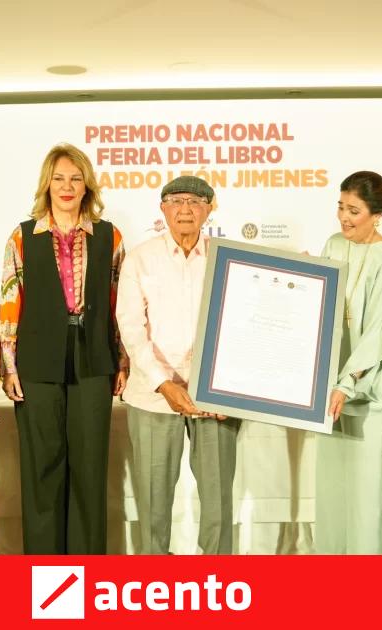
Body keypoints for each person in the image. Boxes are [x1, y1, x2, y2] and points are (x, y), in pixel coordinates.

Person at [0, 143, 128, 554]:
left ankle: (88, 570)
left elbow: (118, 300)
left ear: (86, 184)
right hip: (37, 357)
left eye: (75, 178)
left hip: (94, 357)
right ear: (47, 184)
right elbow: (9, 298)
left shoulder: (110, 235)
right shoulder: (22, 235)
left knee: (89, 468)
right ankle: (45, 571)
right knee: (42, 466)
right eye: (59, 178)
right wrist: (8, 365)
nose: (67, 186)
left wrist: (122, 358)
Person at [117, 176, 240, 555]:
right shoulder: (141, 258)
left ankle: (217, 583)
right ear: (162, 209)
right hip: (154, 397)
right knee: (153, 504)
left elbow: (240, 325)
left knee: (218, 502)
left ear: (210, 206)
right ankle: (156, 582)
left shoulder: (228, 258)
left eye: (195, 201)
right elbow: (131, 329)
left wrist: (228, 387)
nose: (185, 209)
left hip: (215, 400)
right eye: (175, 201)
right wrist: (164, 384)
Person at [315, 171, 382, 554]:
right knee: (332, 501)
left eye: (354, 210)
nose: (343, 218)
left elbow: (380, 335)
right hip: (330, 399)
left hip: (369, 400)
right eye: (340, 207)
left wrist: (345, 384)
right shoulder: (334, 245)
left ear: (377, 214)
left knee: (366, 505)